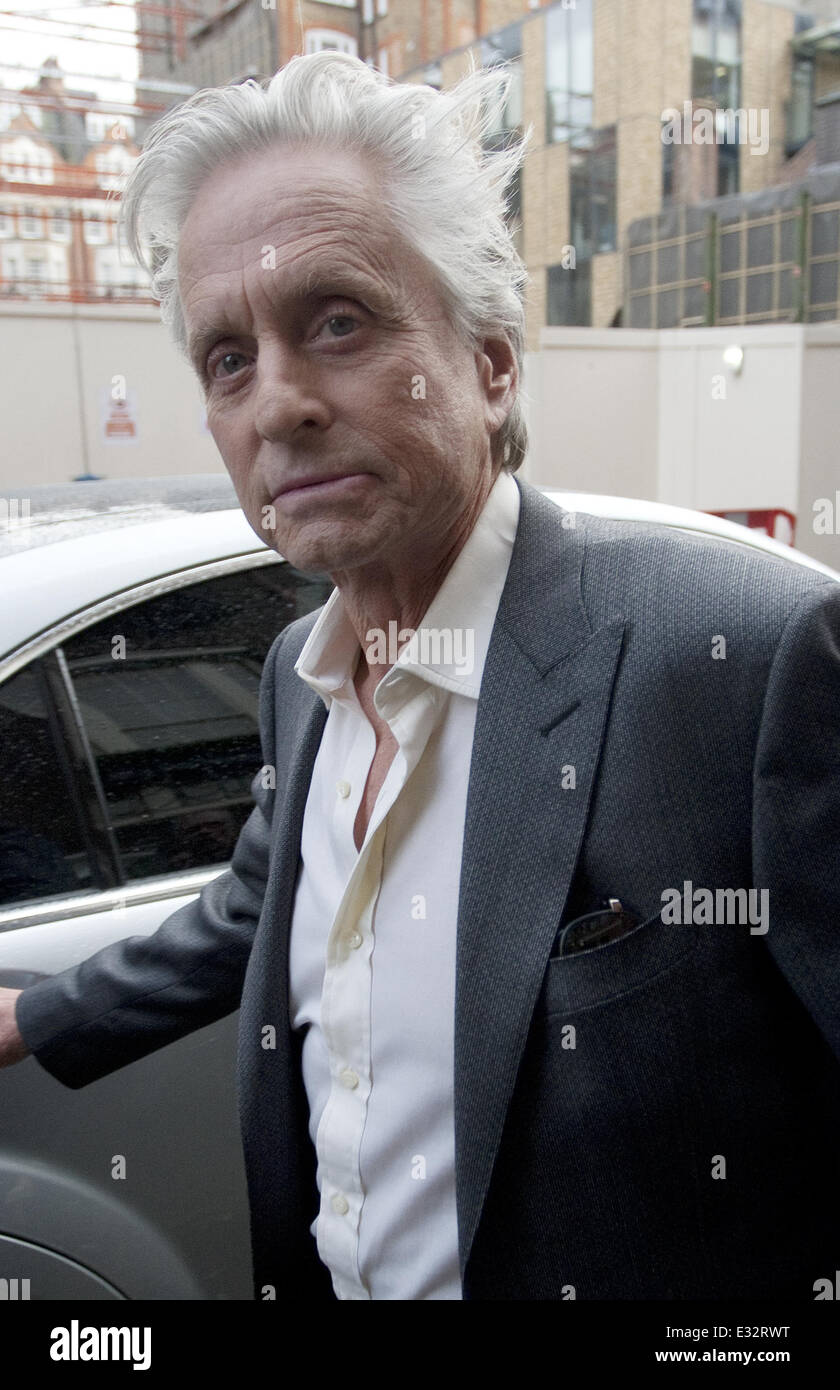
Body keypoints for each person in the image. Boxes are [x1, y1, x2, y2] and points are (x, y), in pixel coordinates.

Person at [1, 52, 839, 1302]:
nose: (276, 402)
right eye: (227, 360)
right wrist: (28, 1019)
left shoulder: (745, 658)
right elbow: (256, 913)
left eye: (336, 320)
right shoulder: (297, 669)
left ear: (491, 359)